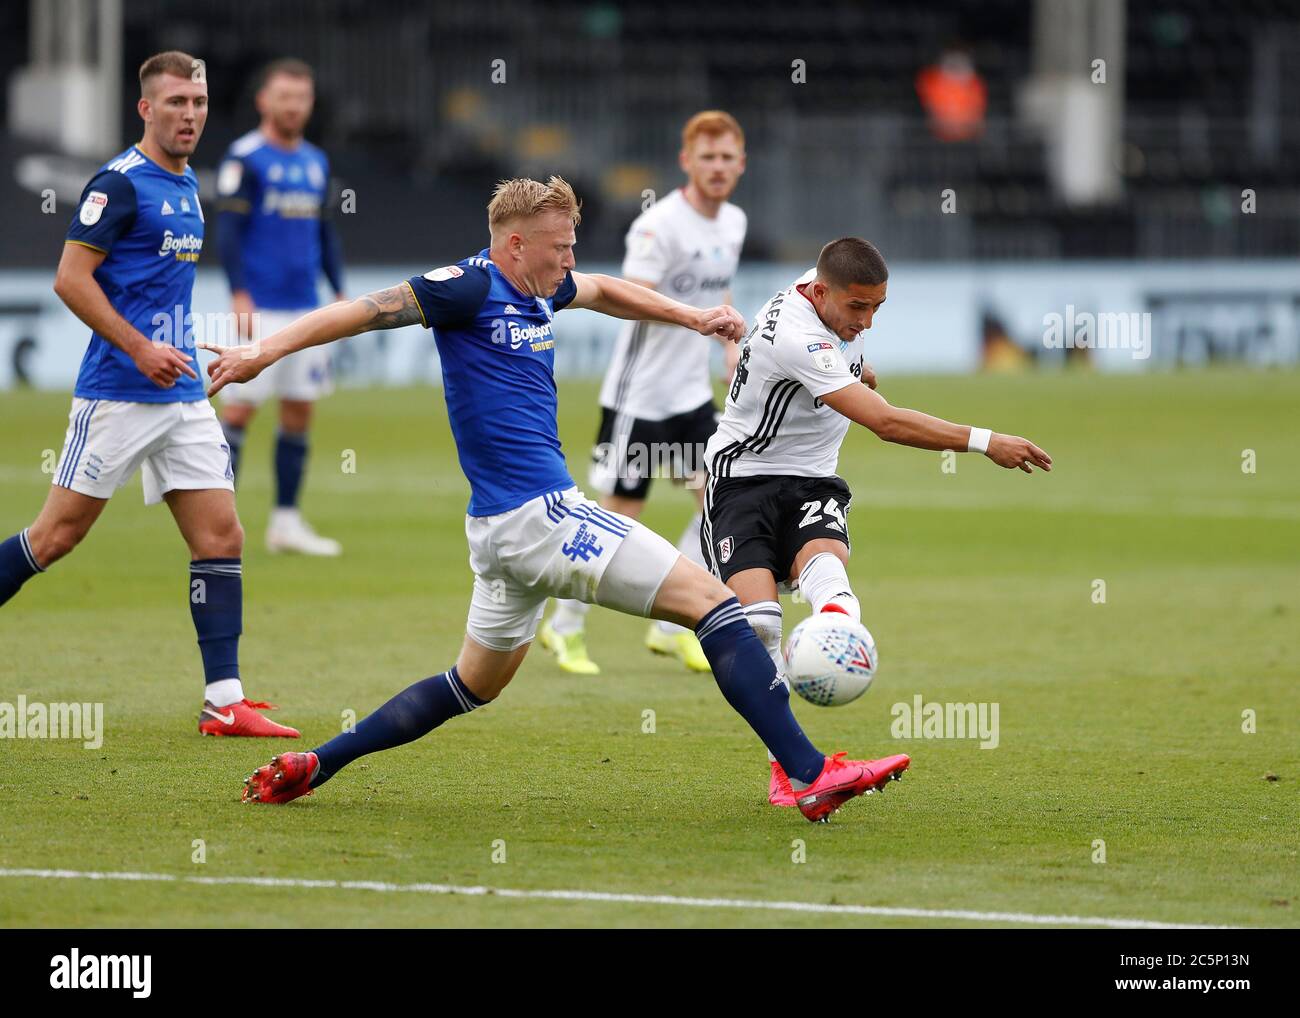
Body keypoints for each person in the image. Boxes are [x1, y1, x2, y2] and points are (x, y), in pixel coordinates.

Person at [204, 178, 910, 822]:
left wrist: (692, 318)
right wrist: (261, 353)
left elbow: (604, 291)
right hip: (538, 515)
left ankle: (317, 764)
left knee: (470, 686)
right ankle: (809, 773)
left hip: (500, 536)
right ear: (516, 244)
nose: (570, 260)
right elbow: (361, 311)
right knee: (717, 607)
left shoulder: (542, 287)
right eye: (561, 246)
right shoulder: (466, 288)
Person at [0, 51, 299, 738]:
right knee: (55, 538)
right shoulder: (120, 184)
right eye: (175, 104)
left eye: (196, 102)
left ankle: (225, 700)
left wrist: (192, 350)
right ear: (145, 109)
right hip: (119, 393)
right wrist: (139, 347)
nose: (189, 114)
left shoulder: (190, 182)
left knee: (222, 535)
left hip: (183, 393)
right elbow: (71, 278)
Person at [700, 237, 1052, 807]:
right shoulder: (796, 333)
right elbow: (886, 424)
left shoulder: (819, 301)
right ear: (820, 293)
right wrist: (987, 442)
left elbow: (845, 363)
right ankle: (790, 771)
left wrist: (855, 367)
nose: (865, 321)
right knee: (760, 624)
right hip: (742, 482)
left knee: (833, 586)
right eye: (857, 308)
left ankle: (813, 736)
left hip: (812, 481)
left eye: (877, 308)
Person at [540, 111, 747, 676]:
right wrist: (696, 319)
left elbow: (719, 284)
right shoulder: (660, 225)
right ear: (687, 161)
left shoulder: (733, 222)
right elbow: (632, 298)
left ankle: (670, 626)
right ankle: (563, 628)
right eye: (707, 157)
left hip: (690, 397)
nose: (718, 167)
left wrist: (729, 346)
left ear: (741, 163)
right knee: (616, 518)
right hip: (641, 396)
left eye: (728, 157)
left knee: (721, 501)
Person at [216, 58, 345, 556]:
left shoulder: (316, 160)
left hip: (307, 309)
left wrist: (338, 290)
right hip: (261, 306)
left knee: (298, 411)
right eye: (285, 96)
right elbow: (228, 230)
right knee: (239, 409)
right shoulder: (245, 157)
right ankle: (218, 520)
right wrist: (238, 292)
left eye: (302, 97)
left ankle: (285, 523)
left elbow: (325, 230)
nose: (294, 106)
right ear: (263, 101)